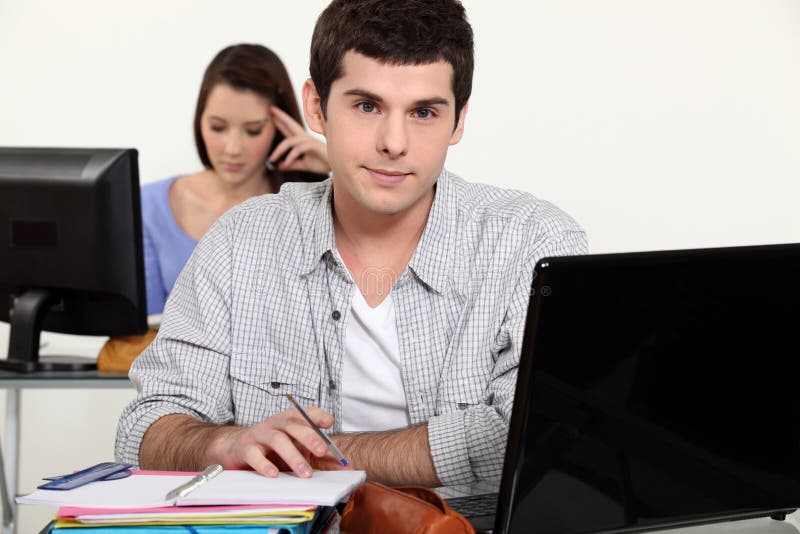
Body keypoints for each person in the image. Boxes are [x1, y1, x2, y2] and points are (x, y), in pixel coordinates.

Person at [116, 0, 588, 487]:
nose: (394, 142)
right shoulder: (240, 241)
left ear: (459, 120)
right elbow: (146, 426)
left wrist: (321, 458)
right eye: (367, 106)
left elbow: (539, 433)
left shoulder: (535, 242)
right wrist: (223, 443)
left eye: (424, 112)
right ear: (316, 108)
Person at [142, 43, 329, 315]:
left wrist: (333, 160)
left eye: (253, 131)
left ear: (279, 127)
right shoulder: (149, 206)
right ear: (200, 120)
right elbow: (141, 336)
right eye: (218, 127)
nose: (232, 148)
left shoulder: (309, 204)